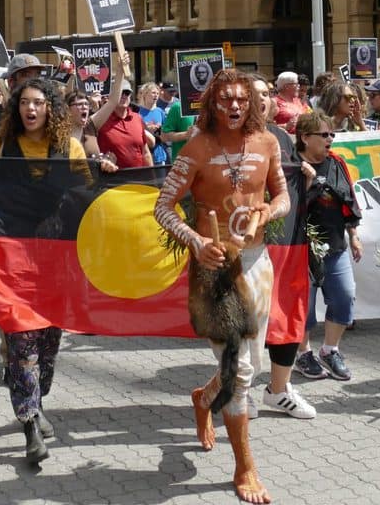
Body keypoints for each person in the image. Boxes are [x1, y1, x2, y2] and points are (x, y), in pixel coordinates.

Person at [154, 69, 289, 505]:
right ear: (211, 104)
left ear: (251, 103)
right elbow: (163, 207)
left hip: (257, 264)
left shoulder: (268, 142)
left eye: (241, 100)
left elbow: (283, 196)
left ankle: (204, 397)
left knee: (251, 362)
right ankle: (245, 467)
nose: (234, 107)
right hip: (214, 273)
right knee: (243, 373)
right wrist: (196, 242)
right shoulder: (196, 147)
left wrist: (266, 213)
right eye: (224, 100)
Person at [0, 78, 90, 464]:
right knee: (22, 338)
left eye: (38, 103)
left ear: (50, 109)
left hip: (56, 257)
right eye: (24, 103)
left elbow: (89, 194)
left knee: (48, 343)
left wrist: (105, 171)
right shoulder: (3, 145)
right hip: (13, 255)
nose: (30, 109)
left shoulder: (70, 146)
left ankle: (37, 398)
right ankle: (29, 422)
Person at [248, 73, 316, 420]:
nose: (261, 99)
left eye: (265, 93)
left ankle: (279, 390)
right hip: (246, 246)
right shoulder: (222, 140)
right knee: (246, 320)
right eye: (252, 93)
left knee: (288, 313)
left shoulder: (281, 138)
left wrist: (302, 172)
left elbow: (284, 189)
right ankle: (240, 389)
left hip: (287, 243)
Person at [291, 111, 362, 384]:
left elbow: (349, 200)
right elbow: (287, 209)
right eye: (324, 134)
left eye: (332, 133)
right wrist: (307, 183)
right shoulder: (291, 165)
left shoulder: (337, 162)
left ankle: (330, 350)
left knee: (344, 297)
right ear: (305, 137)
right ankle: (303, 354)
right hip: (301, 249)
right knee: (303, 308)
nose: (330, 138)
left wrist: (353, 234)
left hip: (335, 245)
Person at [90, 53, 154, 169]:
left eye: (127, 93)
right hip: (111, 181)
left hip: (138, 181)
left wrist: (153, 179)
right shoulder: (102, 119)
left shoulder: (137, 118)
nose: (123, 96)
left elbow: (145, 152)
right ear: (112, 95)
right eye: (120, 93)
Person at [0, 53, 45, 152]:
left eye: (37, 74)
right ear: (11, 81)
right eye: (26, 75)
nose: (33, 81)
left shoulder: (47, 114)